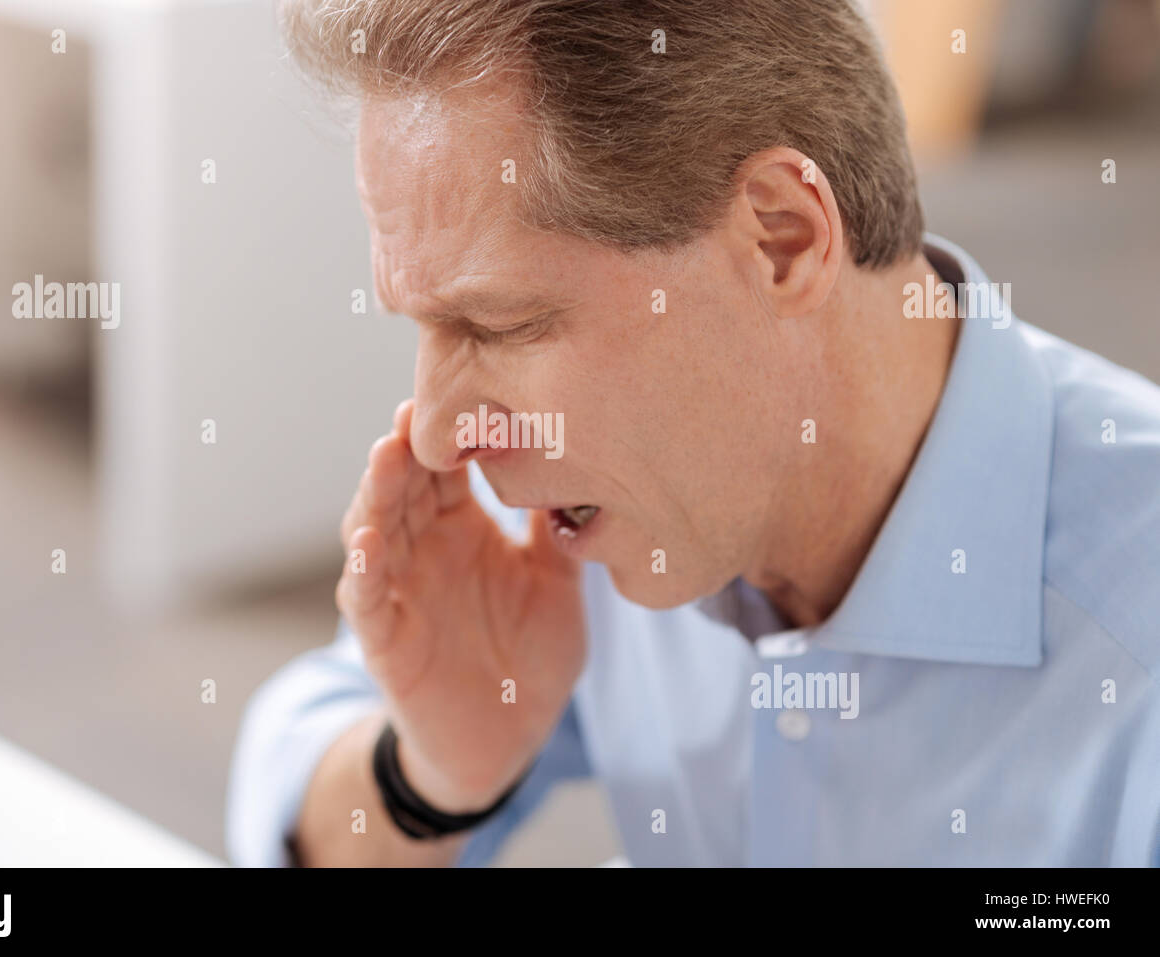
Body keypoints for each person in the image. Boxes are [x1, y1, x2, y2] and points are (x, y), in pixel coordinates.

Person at [226, 0, 1160, 866]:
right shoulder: (580, 494)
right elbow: (296, 756)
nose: (435, 435)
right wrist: (426, 775)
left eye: (501, 327)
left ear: (782, 238)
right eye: (423, 326)